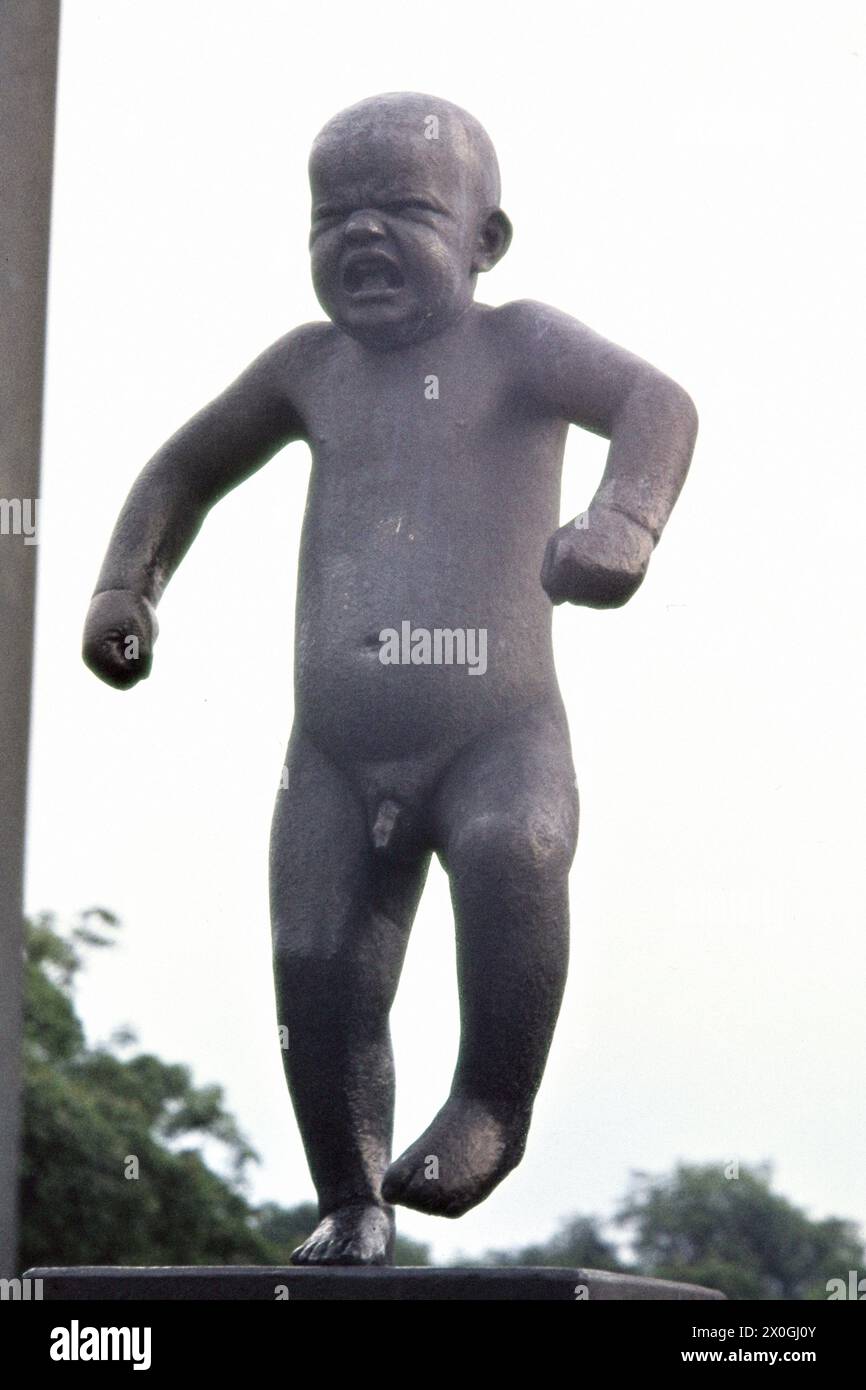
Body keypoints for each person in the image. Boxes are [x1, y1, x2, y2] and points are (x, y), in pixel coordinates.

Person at [83, 91, 698, 1265]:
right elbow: (183, 467)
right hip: (331, 750)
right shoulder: (309, 367)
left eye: (404, 210)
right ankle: (351, 1198)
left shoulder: (519, 344)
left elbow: (654, 403)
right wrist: (128, 588)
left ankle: (490, 1105)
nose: (360, 234)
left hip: (496, 731)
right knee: (316, 968)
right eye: (333, 216)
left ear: (485, 241)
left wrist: (623, 521)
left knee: (512, 861)